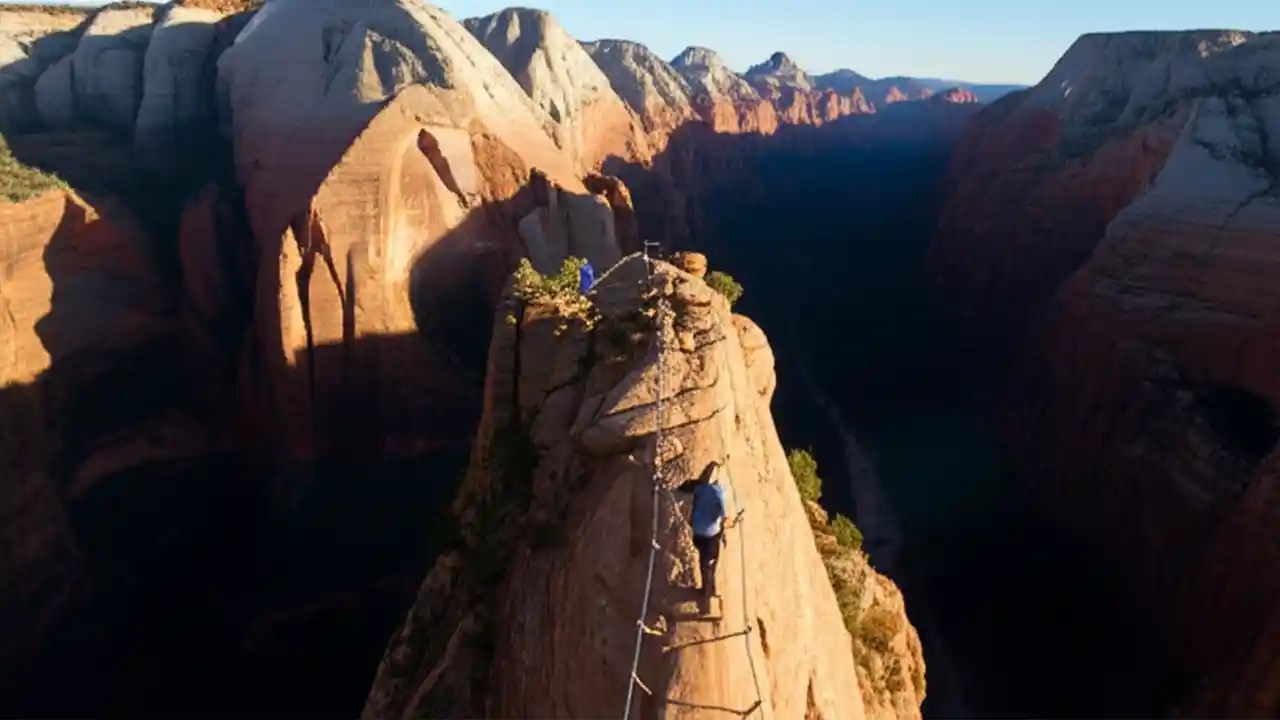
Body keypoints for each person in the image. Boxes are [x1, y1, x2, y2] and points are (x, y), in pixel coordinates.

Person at [688, 461, 732, 599]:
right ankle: (708, 595)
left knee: (703, 561)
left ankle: (706, 589)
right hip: (710, 534)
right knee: (710, 565)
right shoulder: (718, 492)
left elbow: (686, 488)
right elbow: (724, 516)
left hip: (697, 533)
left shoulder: (699, 488)